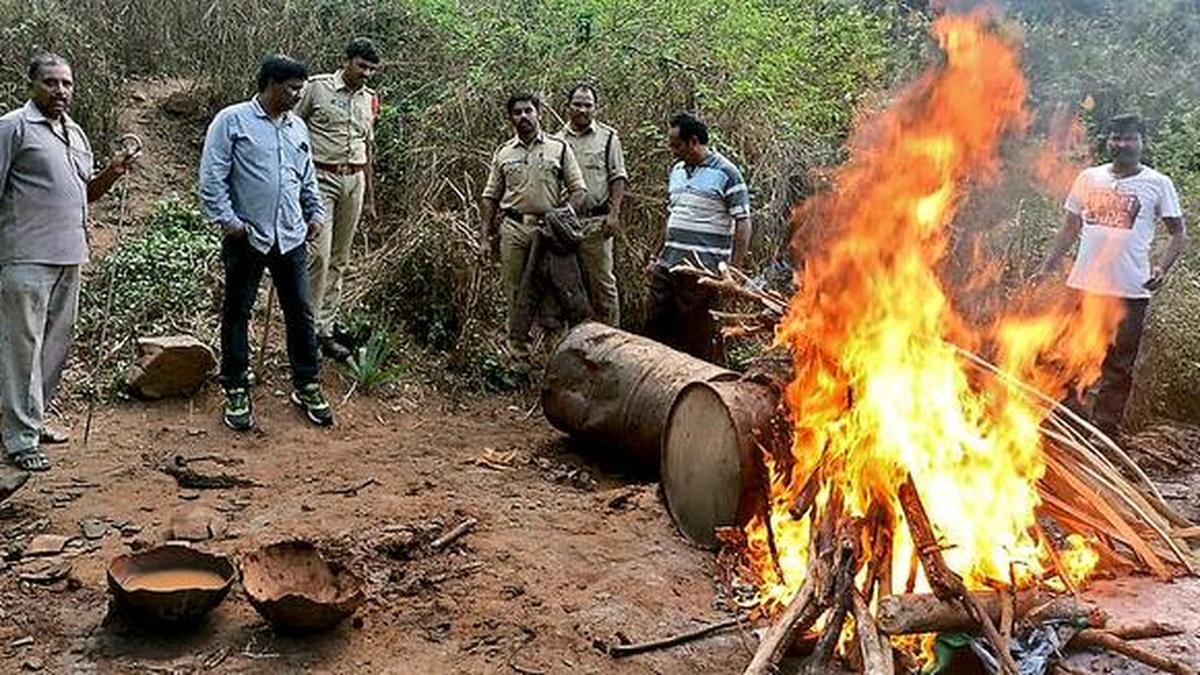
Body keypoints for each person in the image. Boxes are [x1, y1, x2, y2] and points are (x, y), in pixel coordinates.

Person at [0, 53, 137, 472]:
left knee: (56, 344)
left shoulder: (75, 133)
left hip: (70, 255)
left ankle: (32, 421)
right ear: (31, 85)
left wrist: (113, 172)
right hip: (25, 254)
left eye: (66, 83)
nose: (60, 91)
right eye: (50, 82)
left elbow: (85, 194)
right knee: (22, 346)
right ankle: (20, 439)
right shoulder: (12, 128)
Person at [199, 54, 333, 431]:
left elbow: (306, 177)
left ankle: (306, 383)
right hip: (248, 236)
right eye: (292, 88)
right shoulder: (232, 121)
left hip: (291, 235)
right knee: (238, 310)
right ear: (271, 84)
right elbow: (212, 176)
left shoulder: (297, 128)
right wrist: (230, 223)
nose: (297, 95)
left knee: (300, 312)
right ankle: (236, 387)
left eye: (300, 89)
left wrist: (315, 213)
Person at [1034, 113, 1188, 435]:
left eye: (1130, 138)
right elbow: (1069, 229)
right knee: (1071, 354)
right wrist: (1048, 265)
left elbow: (1178, 233)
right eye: (1116, 137)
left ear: (1142, 142)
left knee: (1118, 366)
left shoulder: (1158, 184)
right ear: (1109, 141)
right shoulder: (1089, 178)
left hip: (1130, 290)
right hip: (1084, 285)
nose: (1122, 144)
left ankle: (1105, 432)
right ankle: (1070, 425)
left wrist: (1161, 268)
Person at [479, 92, 587, 368]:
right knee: (515, 293)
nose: (523, 117)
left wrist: (564, 218)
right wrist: (484, 237)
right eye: (517, 112)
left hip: (550, 235)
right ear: (510, 118)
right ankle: (518, 359)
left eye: (529, 111)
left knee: (554, 293)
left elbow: (578, 190)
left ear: (539, 113)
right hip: (514, 230)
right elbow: (490, 196)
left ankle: (557, 361)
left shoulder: (559, 147)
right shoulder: (503, 153)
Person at [294, 37, 381, 360]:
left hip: (354, 180)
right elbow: (291, 128)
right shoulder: (316, 88)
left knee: (340, 260)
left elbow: (368, 149)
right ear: (346, 61)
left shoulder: (370, 99)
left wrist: (370, 197)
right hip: (320, 178)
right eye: (362, 66)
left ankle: (324, 330)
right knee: (318, 254)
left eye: (372, 69)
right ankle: (305, 329)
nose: (366, 73)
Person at [644, 112, 751, 363]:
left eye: (676, 145)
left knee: (695, 337)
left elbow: (743, 222)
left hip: (702, 272)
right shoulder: (677, 170)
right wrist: (656, 256)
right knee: (655, 328)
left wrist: (733, 270)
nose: (672, 150)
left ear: (693, 141)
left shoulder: (727, 173)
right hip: (668, 265)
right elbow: (672, 214)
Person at [555, 84, 627, 327]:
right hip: (565, 226)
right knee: (567, 285)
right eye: (577, 104)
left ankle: (614, 343)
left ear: (596, 108)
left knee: (603, 285)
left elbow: (617, 177)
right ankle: (574, 344)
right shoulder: (556, 141)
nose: (582, 109)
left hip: (597, 224)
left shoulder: (608, 137)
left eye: (588, 105)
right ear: (568, 107)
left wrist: (614, 214)